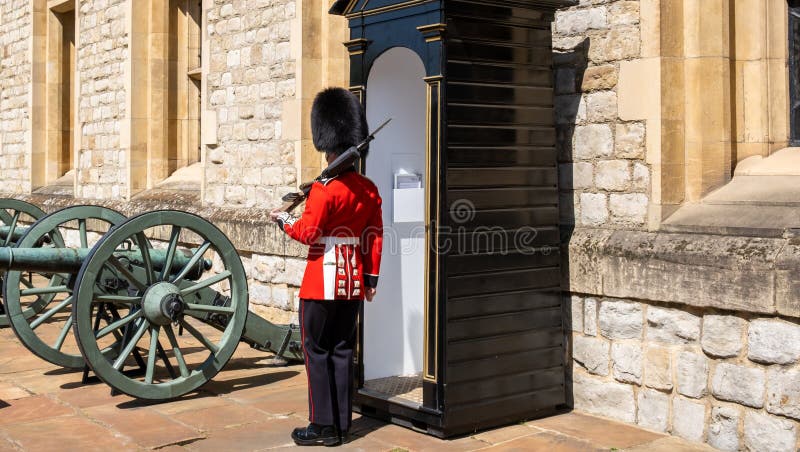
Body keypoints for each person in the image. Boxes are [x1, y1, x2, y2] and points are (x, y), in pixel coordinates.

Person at [270, 87, 383, 447]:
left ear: (327, 144)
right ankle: (343, 424)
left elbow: (309, 232)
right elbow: (375, 236)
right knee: (342, 351)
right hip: (351, 283)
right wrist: (370, 277)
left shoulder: (325, 189)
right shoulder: (367, 188)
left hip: (321, 281)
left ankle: (322, 426)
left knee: (316, 352)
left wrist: (282, 221)